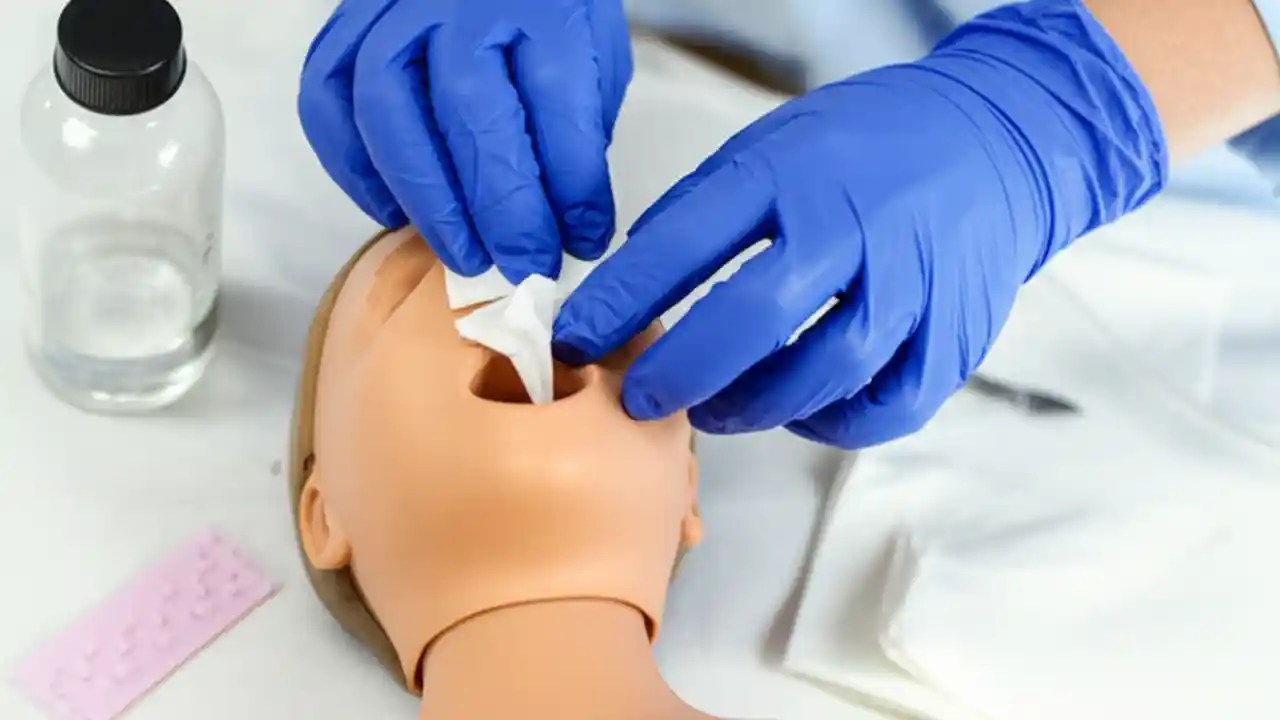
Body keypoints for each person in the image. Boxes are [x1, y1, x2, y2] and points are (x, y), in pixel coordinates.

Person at [297, 0, 1280, 450]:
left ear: (687, 509)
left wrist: (1060, 113)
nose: (534, 346)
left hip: (1181, 148)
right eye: (414, 296)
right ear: (321, 514)